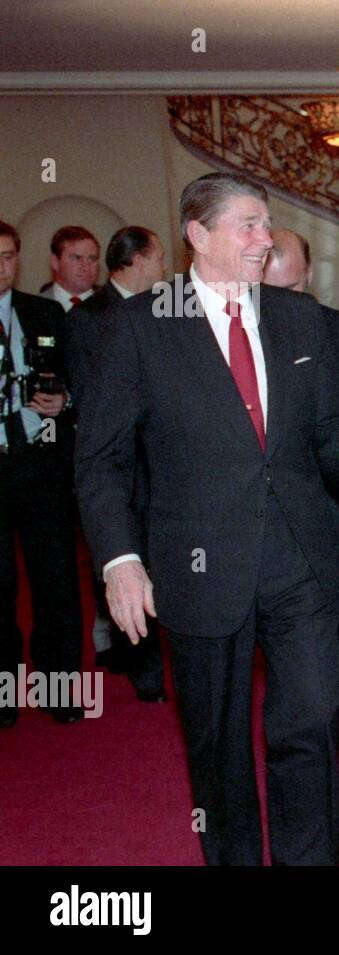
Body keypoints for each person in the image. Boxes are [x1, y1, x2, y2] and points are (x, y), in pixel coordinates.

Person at [76, 173, 339, 865]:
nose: (264, 238)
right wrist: (120, 560)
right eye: (247, 224)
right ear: (197, 234)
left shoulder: (299, 317)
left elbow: (333, 429)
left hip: (302, 556)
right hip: (198, 563)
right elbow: (101, 460)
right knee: (217, 743)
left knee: (312, 719)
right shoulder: (137, 326)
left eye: (266, 225)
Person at [262, 227, 339, 742]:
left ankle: (325, 722)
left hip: (327, 499)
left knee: (325, 623)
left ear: (309, 273)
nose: (284, 302)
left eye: (293, 289)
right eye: (273, 290)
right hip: (254, 505)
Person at [66, 225, 167, 702]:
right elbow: (93, 403)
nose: (166, 267)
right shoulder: (91, 317)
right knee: (129, 557)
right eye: (160, 257)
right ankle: (143, 666)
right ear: (137, 260)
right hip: (122, 466)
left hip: (167, 462)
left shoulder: (166, 309)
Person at [0, 220, 84, 727]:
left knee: (56, 585)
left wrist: (64, 400)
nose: (2, 266)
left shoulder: (43, 312)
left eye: (9, 256)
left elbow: (78, 379)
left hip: (40, 464)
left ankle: (59, 690)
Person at [42, 226, 100, 312]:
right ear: (55, 262)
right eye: (76, 258)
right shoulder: (33, 308)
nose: (86, 267)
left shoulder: (114, 308)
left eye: (92, 258)